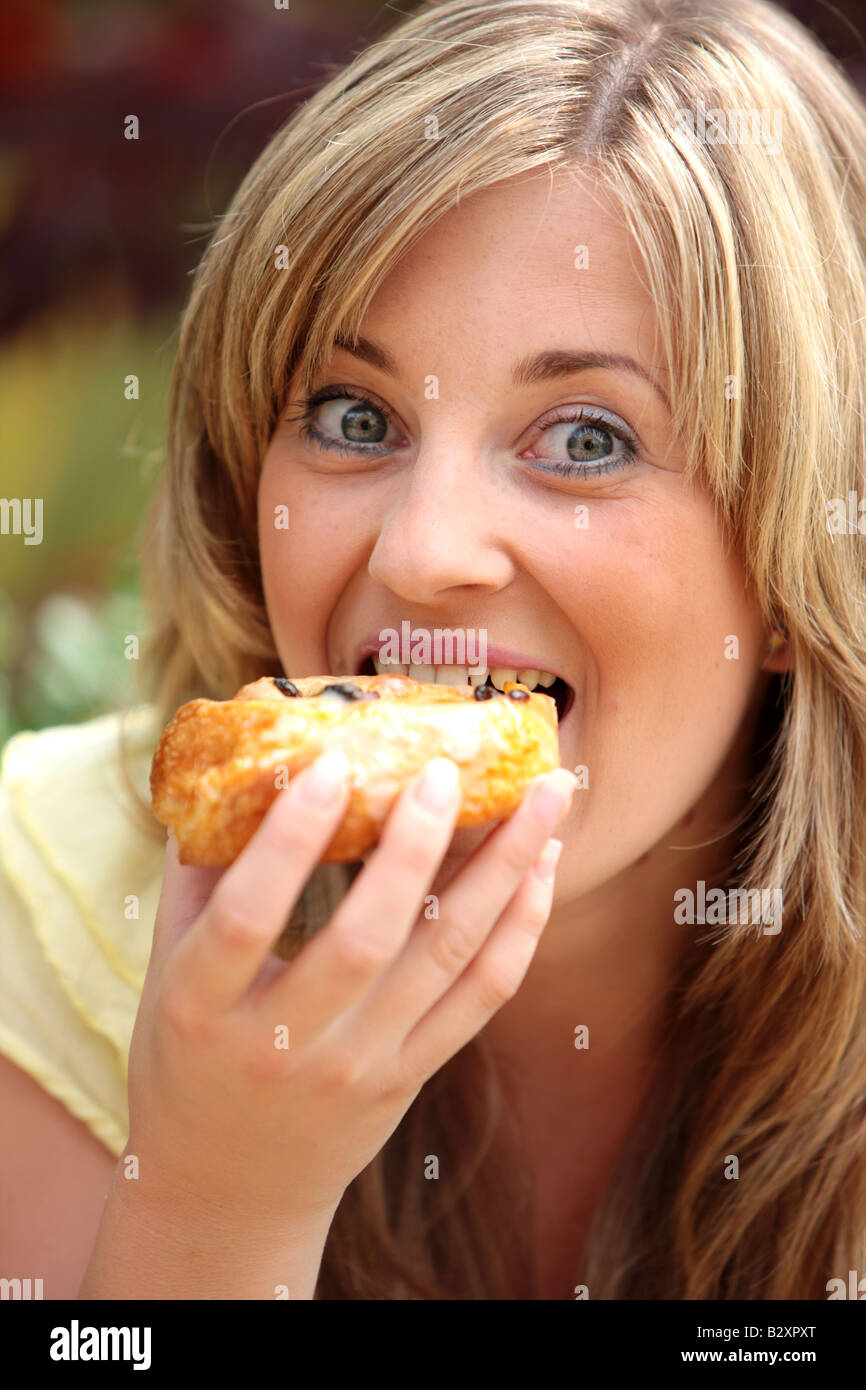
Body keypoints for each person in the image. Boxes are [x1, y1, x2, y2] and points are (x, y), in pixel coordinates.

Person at [2, 0, 865, 1300]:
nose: (420, 550)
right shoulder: (51, 901)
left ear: (806, 566)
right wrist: (213, 1203)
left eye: (584, 439)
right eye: (354, 415)